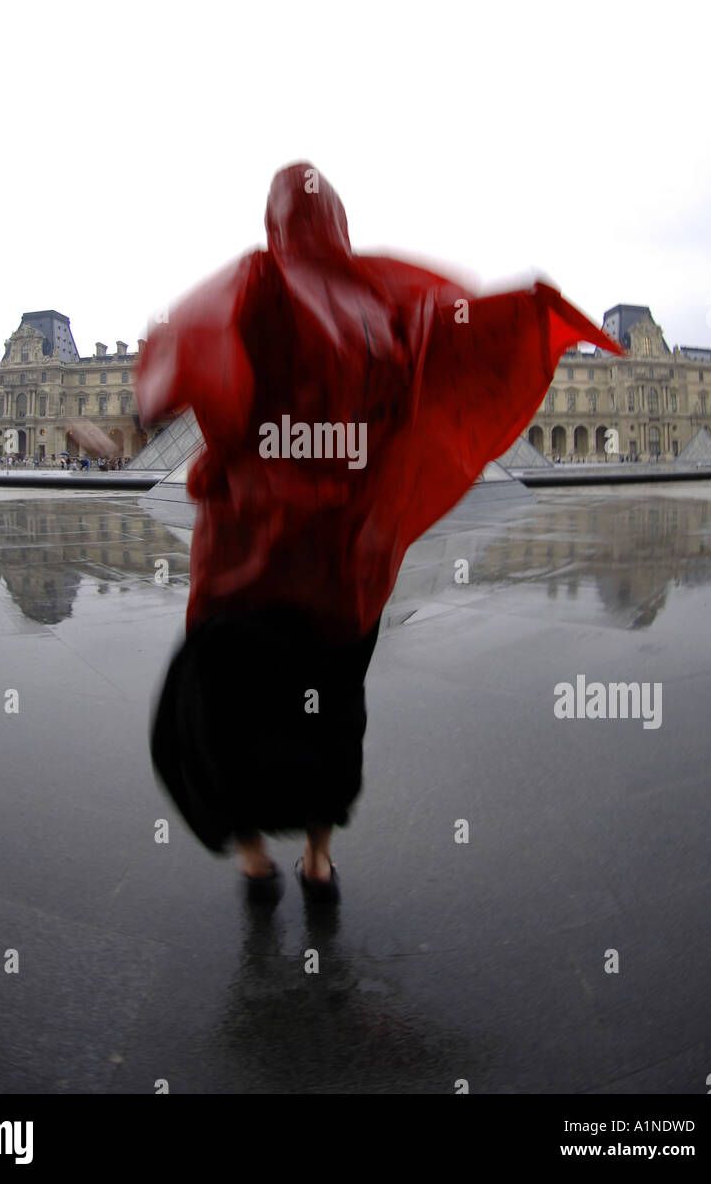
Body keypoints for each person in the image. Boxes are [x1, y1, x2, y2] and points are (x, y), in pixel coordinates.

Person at [138, 162, 624, 904]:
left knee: (215, 708)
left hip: (250, 565)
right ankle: (319, 861)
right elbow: (449, 354)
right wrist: (532, 314)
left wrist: (168, 404)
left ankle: (250, 860)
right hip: (344, 570)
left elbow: (175, 359)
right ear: (337, 222)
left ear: (274, 224)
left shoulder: (253, 285)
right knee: (330, 712)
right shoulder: (378, 301)